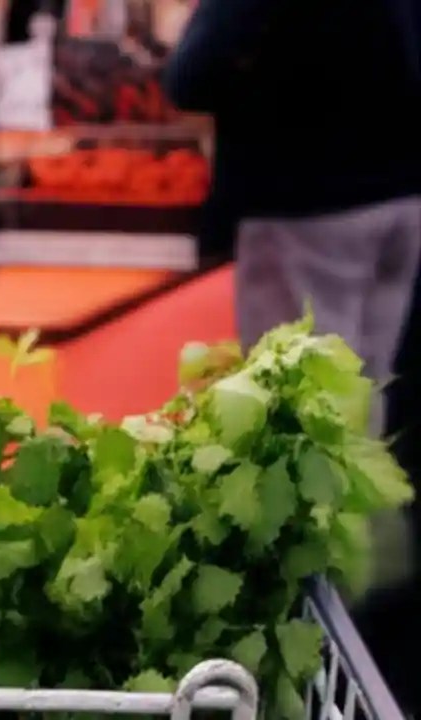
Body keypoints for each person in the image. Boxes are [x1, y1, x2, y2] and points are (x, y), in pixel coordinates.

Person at [163, 0, 421, 712]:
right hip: (401, 196)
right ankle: (372, 640)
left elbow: (191, 74)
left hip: (307, 201)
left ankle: (312, 643)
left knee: (296, 429)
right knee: (367, 413)